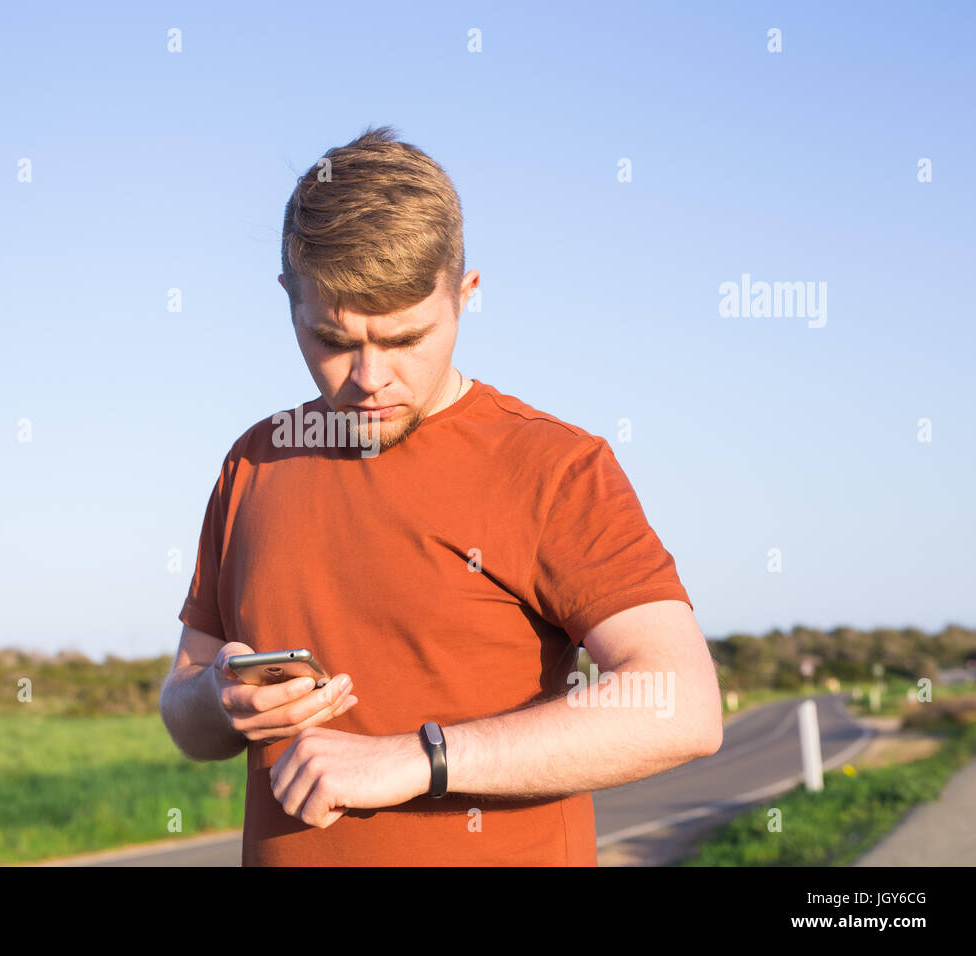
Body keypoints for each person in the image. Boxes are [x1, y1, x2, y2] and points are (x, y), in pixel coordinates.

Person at [158, 125, 722, 866]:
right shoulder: (256, 460)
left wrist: (423, 758)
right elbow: (185, 708)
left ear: (466, 295)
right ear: (287, 299)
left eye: (404, 340)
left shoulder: (554, 466)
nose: (368, 378)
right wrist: (221, 706)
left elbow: (680, 704)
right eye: (332, 339)